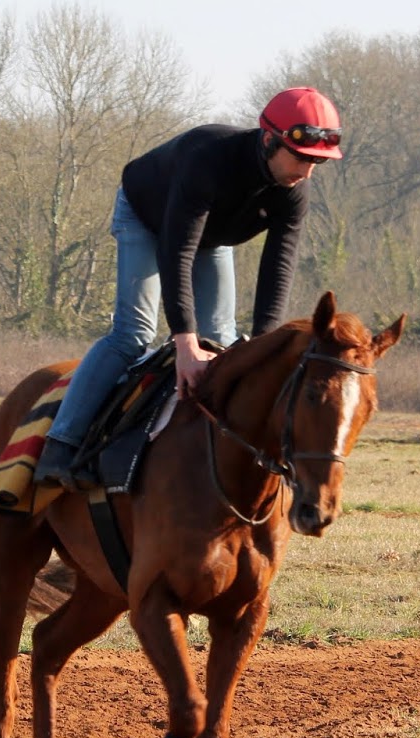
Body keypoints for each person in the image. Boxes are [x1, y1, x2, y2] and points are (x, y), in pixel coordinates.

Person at [32, 86, 343, 490]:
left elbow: (277, 269)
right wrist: (183, 344)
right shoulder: (208, 159)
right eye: (302, 157)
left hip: (211, 237)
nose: (307, 171)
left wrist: (265, 344)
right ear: (270, 140)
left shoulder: (294, 192)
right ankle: (61, 444)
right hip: (147, 218)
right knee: (133, 334)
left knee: (224, 341)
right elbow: (175, 252)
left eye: (318, 162)